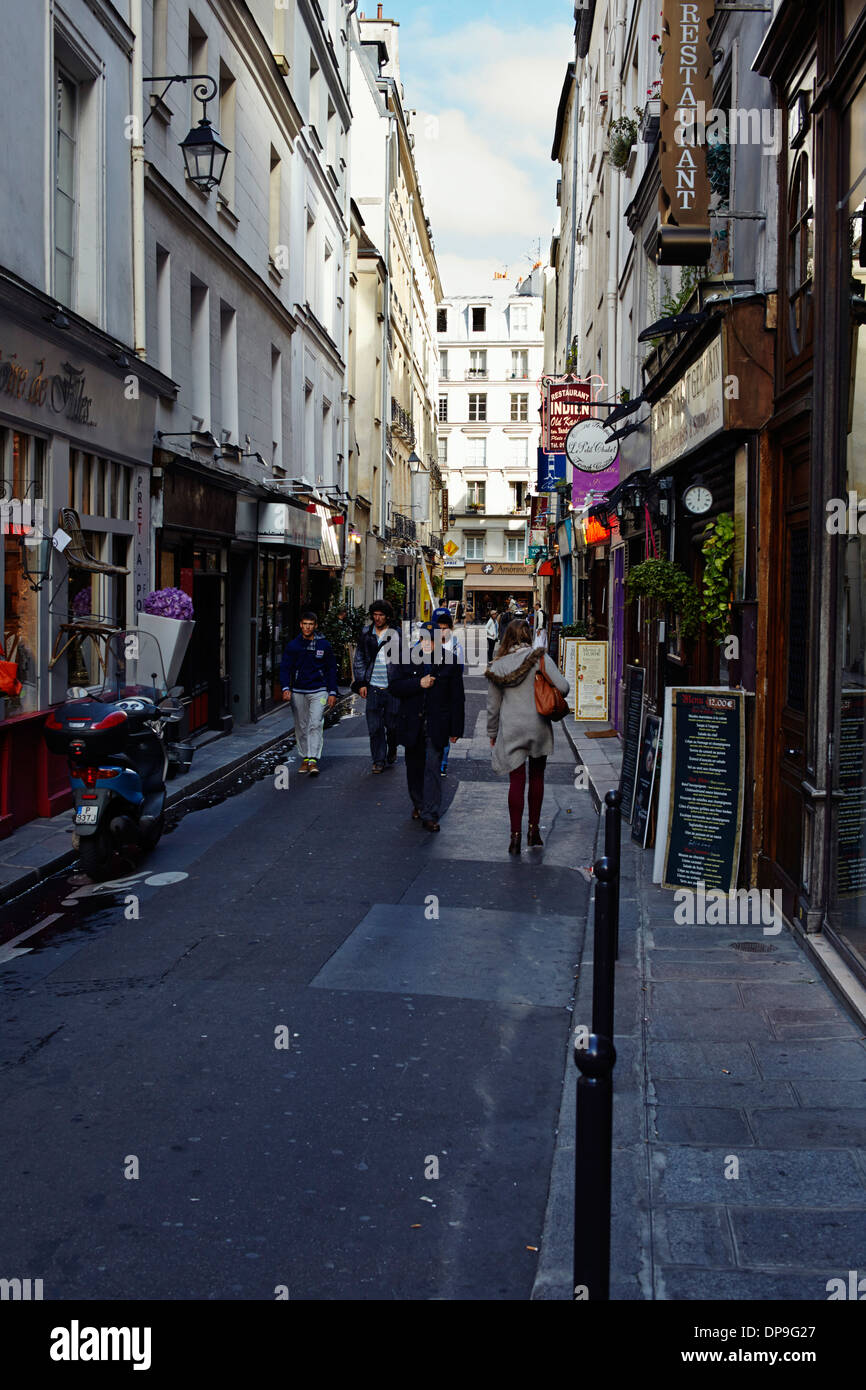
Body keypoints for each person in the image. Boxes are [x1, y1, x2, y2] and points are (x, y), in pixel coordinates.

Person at [485, 618, 570, 855]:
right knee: (537, 778)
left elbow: (493, 705)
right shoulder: (540, 658)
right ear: (528, 636)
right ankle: (534, 831)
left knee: (516, 781)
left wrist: (492, 733)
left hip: (512, 728)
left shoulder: (498, 665)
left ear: (507, 637)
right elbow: (563, 687)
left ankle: (515, 837)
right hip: (538, 726)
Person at [390, 622, 465, 832]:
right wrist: (418, 684)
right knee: (414, 768)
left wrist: (456, 729)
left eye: (431, 640)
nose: (427, 644)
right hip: (412, 723)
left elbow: (457, 698)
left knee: (433, 767)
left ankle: (430, 814)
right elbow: (395, 687)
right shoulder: (407, 659)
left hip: (437, 724)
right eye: (423, 639)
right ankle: (419, 804)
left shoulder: (450, 662)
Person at [281, 609, 339, 777]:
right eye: (305, 624)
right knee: (301, 725)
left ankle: (313, 759)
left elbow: (330, 669)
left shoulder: (324, 645)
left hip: (319, 691)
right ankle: (305, 757)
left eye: (310, 624)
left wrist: (332, 691)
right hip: (298, 691)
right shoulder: (293, 646)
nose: (307, 627)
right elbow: (285, 668)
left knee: (315, 723)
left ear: (315, 626)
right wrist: (285, 688)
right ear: (300, 625)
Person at [353, 599, 400, 773]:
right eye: (375, 615)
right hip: (372, 686)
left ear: (387, 616)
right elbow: (359, 659)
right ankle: (378, 760)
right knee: (374, 727)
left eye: (381, 615)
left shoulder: (396, 633)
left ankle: (392, 747)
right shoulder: (366, 633)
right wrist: (361, 683)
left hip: (392, 687)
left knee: (392, 725)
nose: (378, 618)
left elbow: (404, 659)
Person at [431, 606, 464, 777]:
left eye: (445, 628)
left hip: (447, 693)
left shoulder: (456, 645)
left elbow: (460, 667)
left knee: (444, 729)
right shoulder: (423, 644)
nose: (442, 631)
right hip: (429, 695)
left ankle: (442, 762)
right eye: (439, 627)